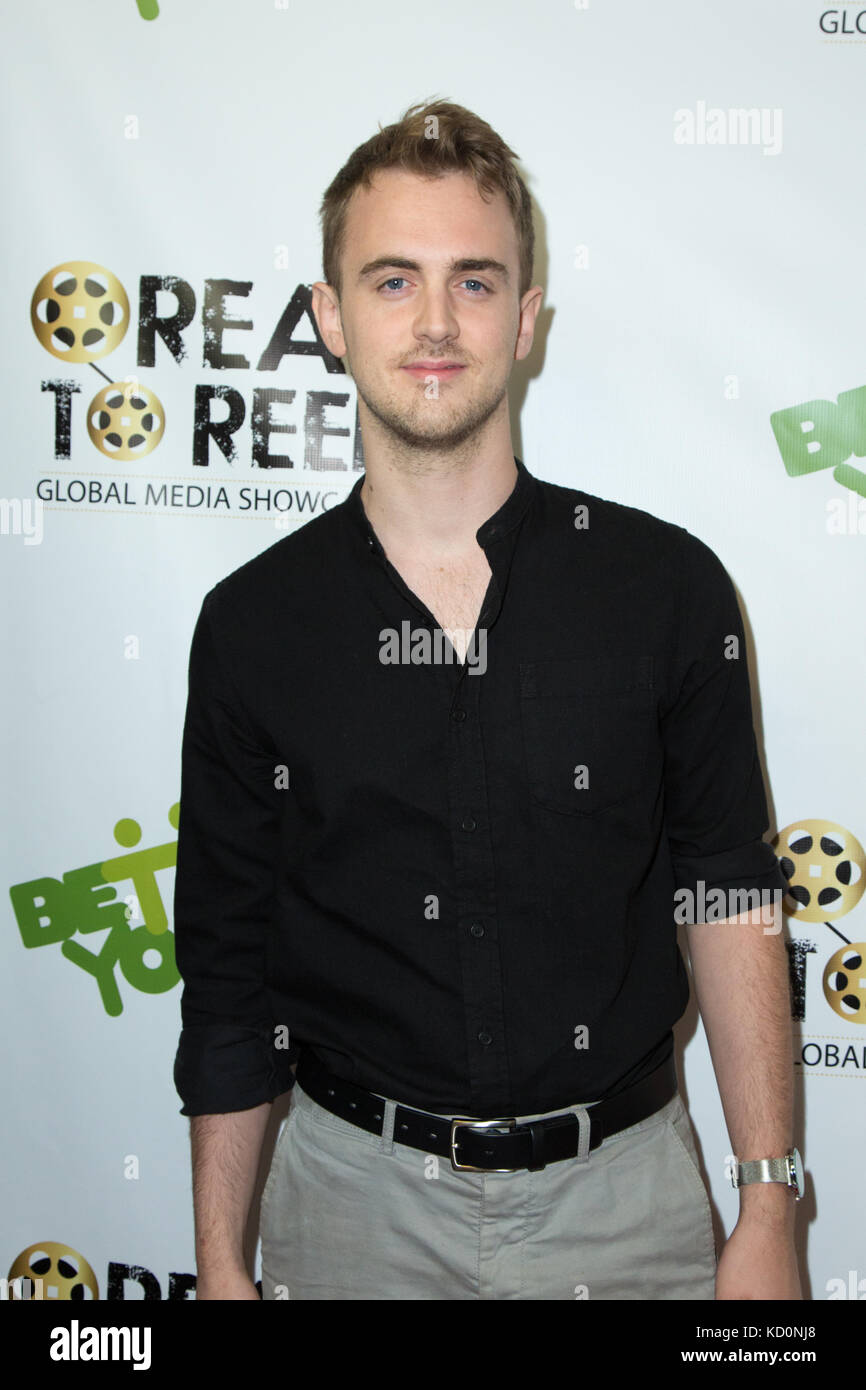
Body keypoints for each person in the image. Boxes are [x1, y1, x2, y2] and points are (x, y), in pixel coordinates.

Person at [173, 99, 802, 1301]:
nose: (432, 323)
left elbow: (726, 892)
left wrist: (767, 1196)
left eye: (472, 283)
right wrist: (217, 1263)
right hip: (347, 1209)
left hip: (629, 1210)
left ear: (524, 322)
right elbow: (228, 974)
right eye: (392, 279)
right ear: (330, 318)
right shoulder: (255, 624)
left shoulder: (662, 587)